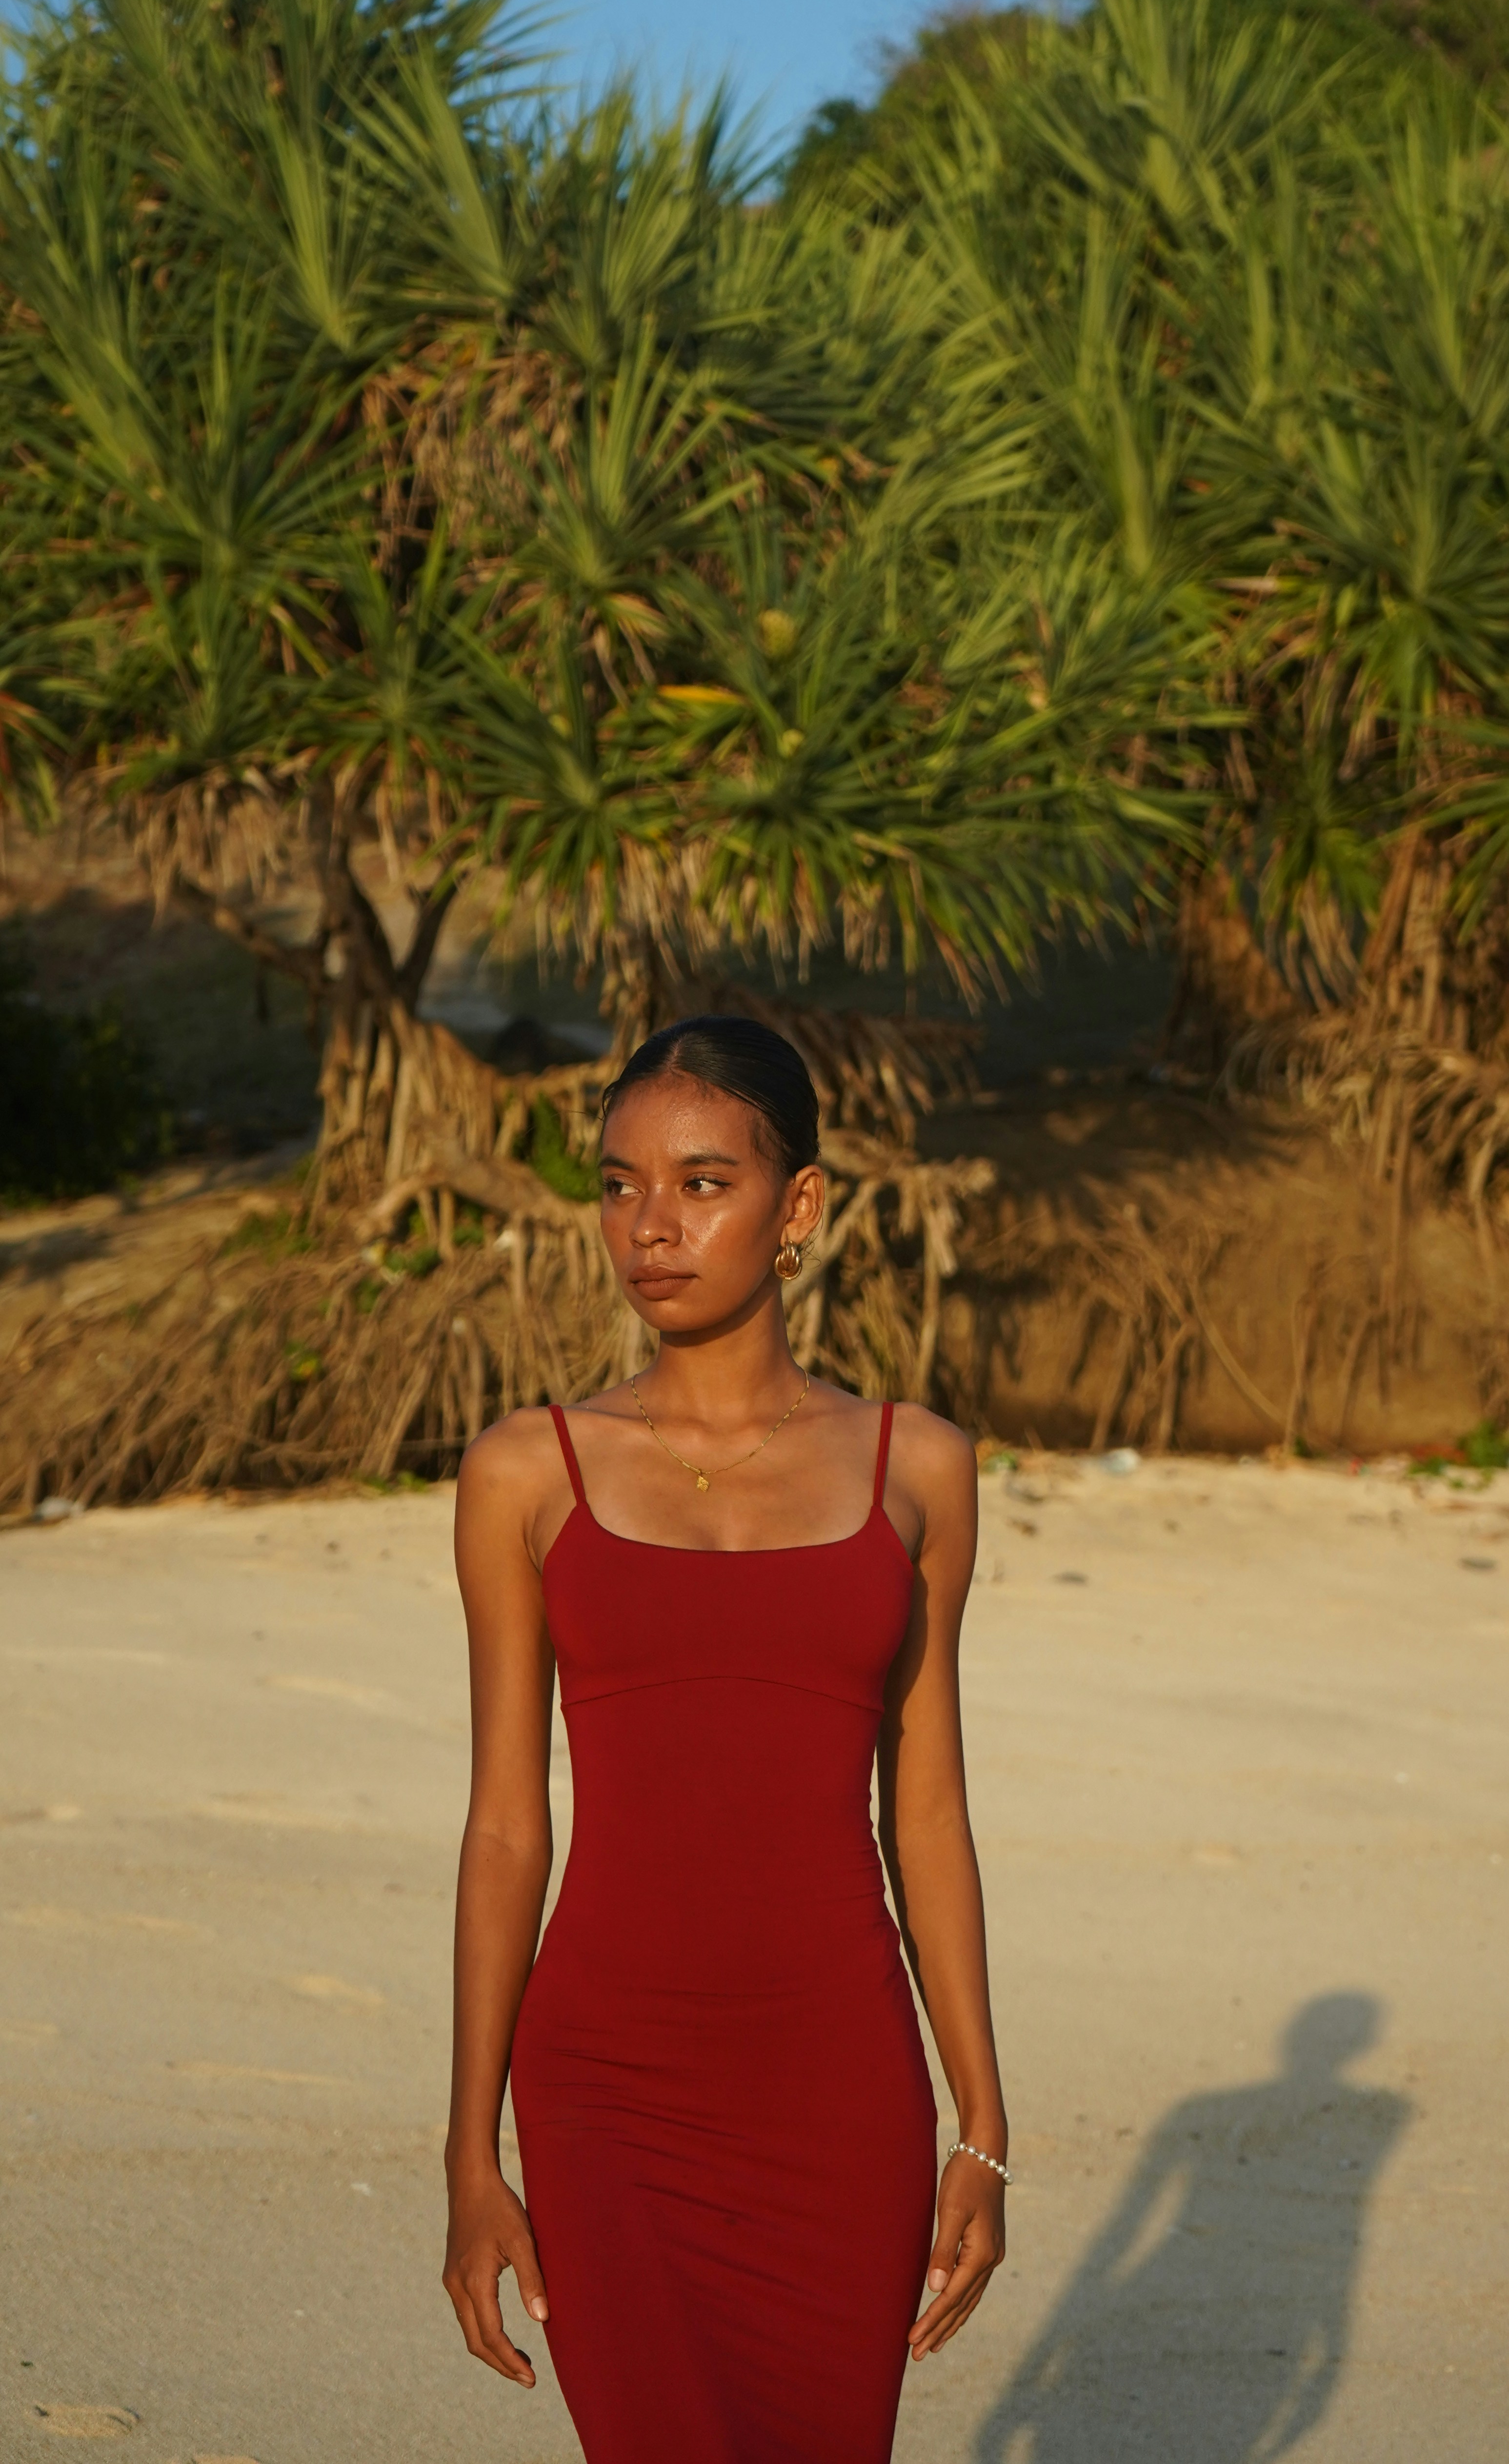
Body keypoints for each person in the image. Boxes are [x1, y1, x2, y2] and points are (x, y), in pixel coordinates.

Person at [442, 1013, 1009, 2463]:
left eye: (702, 1183)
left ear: (799, 1205)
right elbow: (509, 1821)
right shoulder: (528, 1470)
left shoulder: (918, 1466)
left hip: (838, 2088)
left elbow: (926, 1812)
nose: (651, 1226)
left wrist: (981, 2126)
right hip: (608, 2091)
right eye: (622, 1185)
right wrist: (468, 2148)